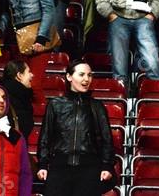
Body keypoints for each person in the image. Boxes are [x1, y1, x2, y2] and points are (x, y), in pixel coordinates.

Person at [36, 60, 114, 196]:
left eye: (89, 75)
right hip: (59, 168)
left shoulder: (97, 106)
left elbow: (106, 139)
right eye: (81, 74)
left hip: (89, 169)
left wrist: (107, 165)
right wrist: (43, 164)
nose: (86, 79)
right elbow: (45, 137)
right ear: (69, 77)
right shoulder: (55, 104)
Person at [0, 59, 35, 138]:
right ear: (19, 75)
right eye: (29, 72)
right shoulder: (8, 98)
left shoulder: (21, 96)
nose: (32, 75)